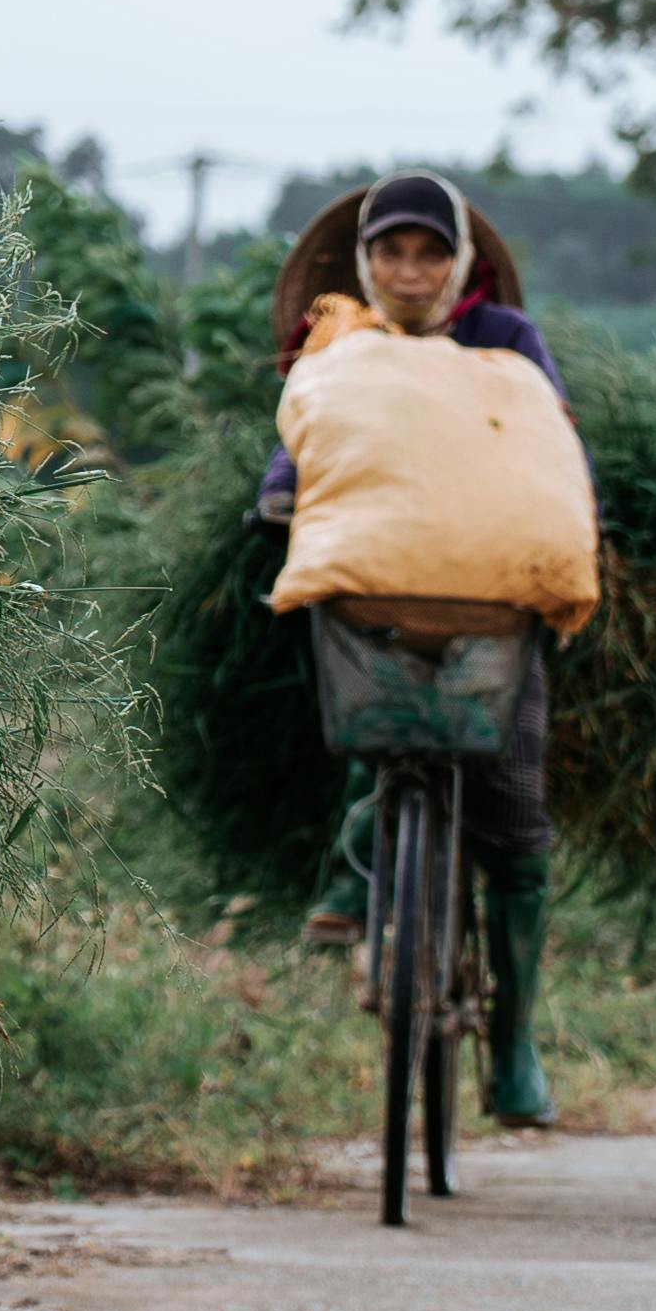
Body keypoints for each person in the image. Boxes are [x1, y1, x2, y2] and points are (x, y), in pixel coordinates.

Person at [256, 169, 572, 1127]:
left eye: (428, 252)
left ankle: (512, 1044)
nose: (408, 270)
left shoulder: (504, 340)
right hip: (375, 602)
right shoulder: (343, 335)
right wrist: (280, 490)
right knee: (349, 706)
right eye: (391, 252)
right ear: (366, 260)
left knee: (516, 818)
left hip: (492, 609)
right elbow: (306, 435)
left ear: (458, 262)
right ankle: (353, 867)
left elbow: (548, 443)